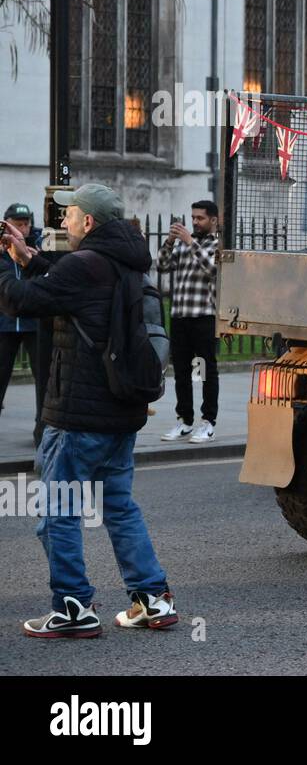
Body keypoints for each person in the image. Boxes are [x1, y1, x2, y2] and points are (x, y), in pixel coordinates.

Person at [0, 183, 176, 638]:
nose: (63, 222)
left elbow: (26, 300)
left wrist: (4, 265)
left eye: (69, 214)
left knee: (58, 513)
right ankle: (151, 599)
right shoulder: (127, 261)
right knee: (118, 506)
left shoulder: (85, 265)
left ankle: (73, 607)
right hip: (122, 412)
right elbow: (69, 283)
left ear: (89, 222)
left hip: (77, 415)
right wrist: (29, 259)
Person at [156, 200, 220, 443]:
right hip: (180, 317)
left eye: (200, 218)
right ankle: (184, 420)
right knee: (182, 372)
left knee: (203, 371)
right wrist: (171, 241)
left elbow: (211, 269)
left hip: (203, 318)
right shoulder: (184, 245)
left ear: (213, 220)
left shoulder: (217, 245)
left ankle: (208, 422)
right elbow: (162, 266)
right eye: (193, 217)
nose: (195, 222)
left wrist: (188, 241)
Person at [0, 203, 44, 441]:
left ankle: (42, 429)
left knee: (42, 376)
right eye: (18, 224)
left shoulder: (40, 243)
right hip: (4, 322)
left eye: (27, 223)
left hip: (33, 321)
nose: (24, 228)